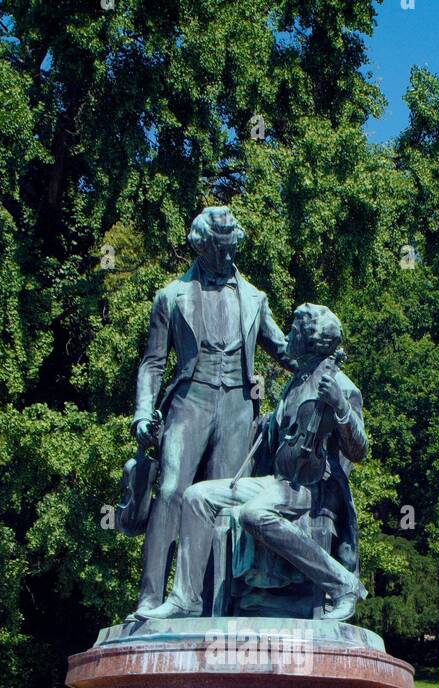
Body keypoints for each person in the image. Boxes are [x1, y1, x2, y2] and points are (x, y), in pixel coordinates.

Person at [141, 304, 368, 623]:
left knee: (253, 513)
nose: (288, 334)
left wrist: (341, 406)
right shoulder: (297, 381)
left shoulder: (341, 385)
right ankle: (185, 599)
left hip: (312, 488)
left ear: (309, 338)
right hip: (279, 481)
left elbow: (359, 450)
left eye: (295, 330)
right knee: (196, 497)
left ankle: (342, 584)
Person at [128, 206, 292, 617]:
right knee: (170, 493)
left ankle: (211, 608)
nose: (227, 257)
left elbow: (285, 350)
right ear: (202, 246)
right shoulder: (170, 295)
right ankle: (150, 598)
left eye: (231, 247)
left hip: (238, 405)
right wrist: (143, 412)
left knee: (223, 504)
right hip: (190, 400)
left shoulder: (255, 298)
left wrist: (320, 353)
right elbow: (152, 362)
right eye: (219, 249)